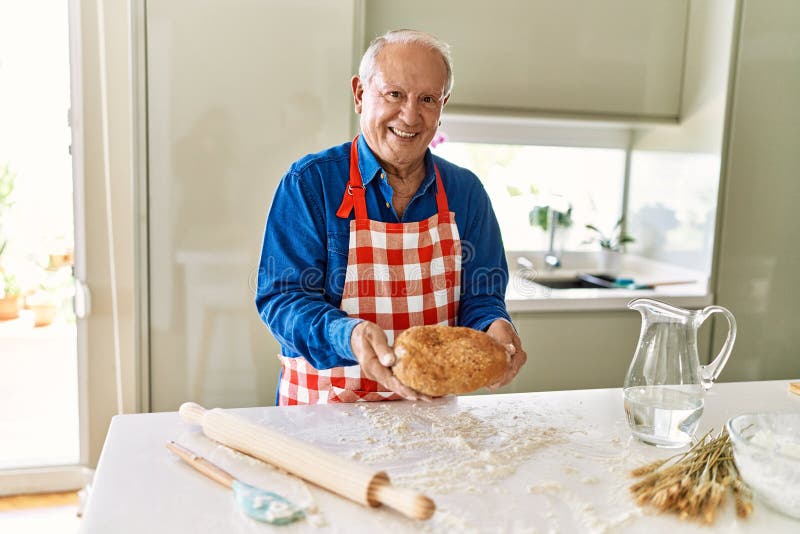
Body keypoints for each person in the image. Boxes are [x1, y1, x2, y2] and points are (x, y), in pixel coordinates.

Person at [256, 29, 526, 405]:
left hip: (429, 418)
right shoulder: (310, 183)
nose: (410, 115)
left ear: (443, 106)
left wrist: (495, 326)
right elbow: (283, 299)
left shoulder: (465, 193)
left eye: (428, 99)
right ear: (360, 94)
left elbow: (482, 296)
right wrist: (347, 335)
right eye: (394, 94)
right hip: (324, 411)